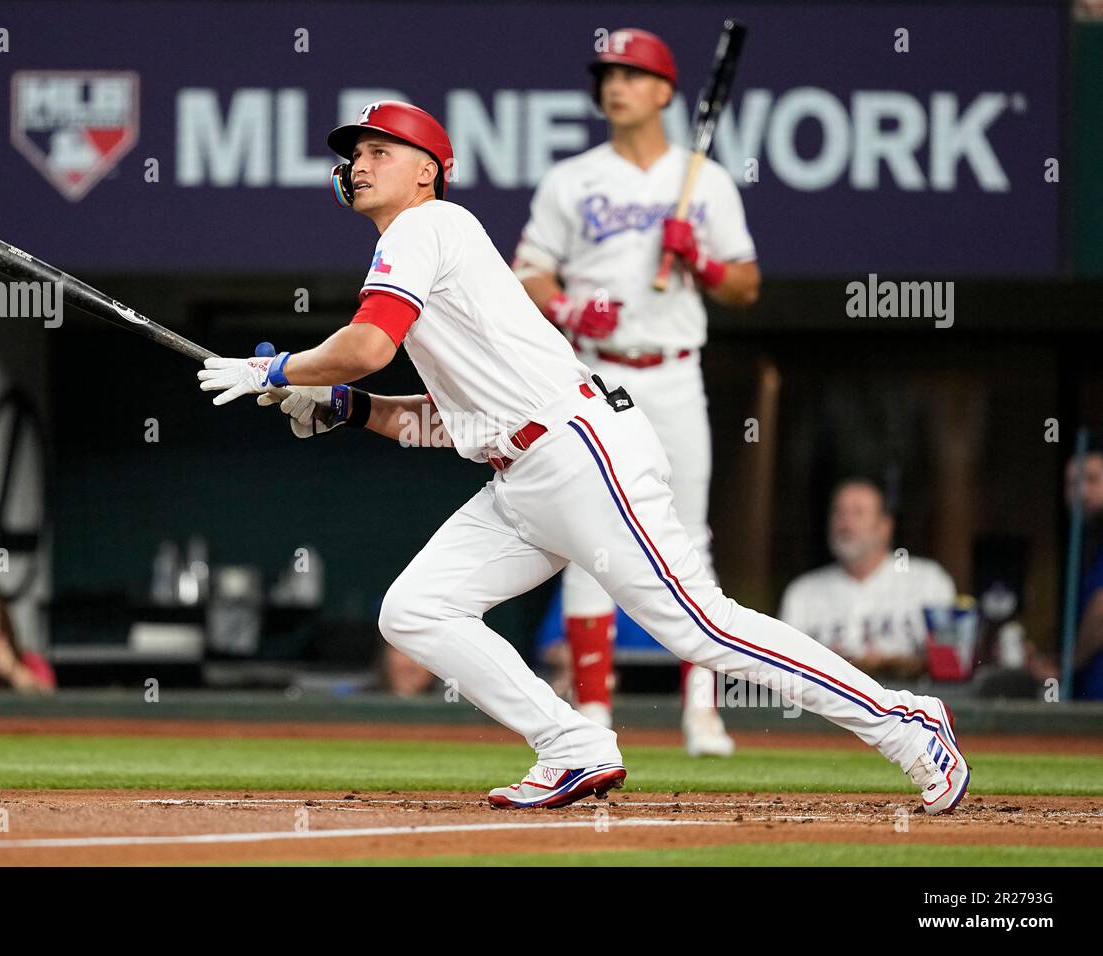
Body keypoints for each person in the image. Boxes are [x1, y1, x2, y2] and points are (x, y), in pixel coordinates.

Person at [196, 100, 968, 813]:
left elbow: (365, 347)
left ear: (428, 168)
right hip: (524, 474)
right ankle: (572, 744)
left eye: (379, 150)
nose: (359, 164)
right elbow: (447, 421)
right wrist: (343, 407)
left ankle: (908, 721)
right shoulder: (431, 253)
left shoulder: (424, 228)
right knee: (416, 610)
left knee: (703, 629)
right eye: (354, 154)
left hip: (578, 452)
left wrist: (276, 369)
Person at [513, 27, 760, 757]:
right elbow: (527, 272)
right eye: (607, 74)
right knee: (594, 539)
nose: (614, 85)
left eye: (630, 73)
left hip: (676, 369)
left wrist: (703, 264)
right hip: (596, 370)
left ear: (662, 90)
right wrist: (565, 309)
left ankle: (702, 713)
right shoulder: (571, 177)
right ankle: (591, 711)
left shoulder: (704, 179)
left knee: (690, 537)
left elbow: (746, 283)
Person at [779, 479, 956, 680]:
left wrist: (895, 664)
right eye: (839, 513)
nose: (846, 524)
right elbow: (783, 672)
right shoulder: (802, 592)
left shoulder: (929, 581)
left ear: (885, 526)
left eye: (858, 513)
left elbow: (950, 663)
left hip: (907, 704)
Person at [1065, 440, 1103, 698]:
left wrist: (1065, 666)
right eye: (1072, 483)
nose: (1081, 491)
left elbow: (1101, 614)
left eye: (1092, 480)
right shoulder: (1083, 541)